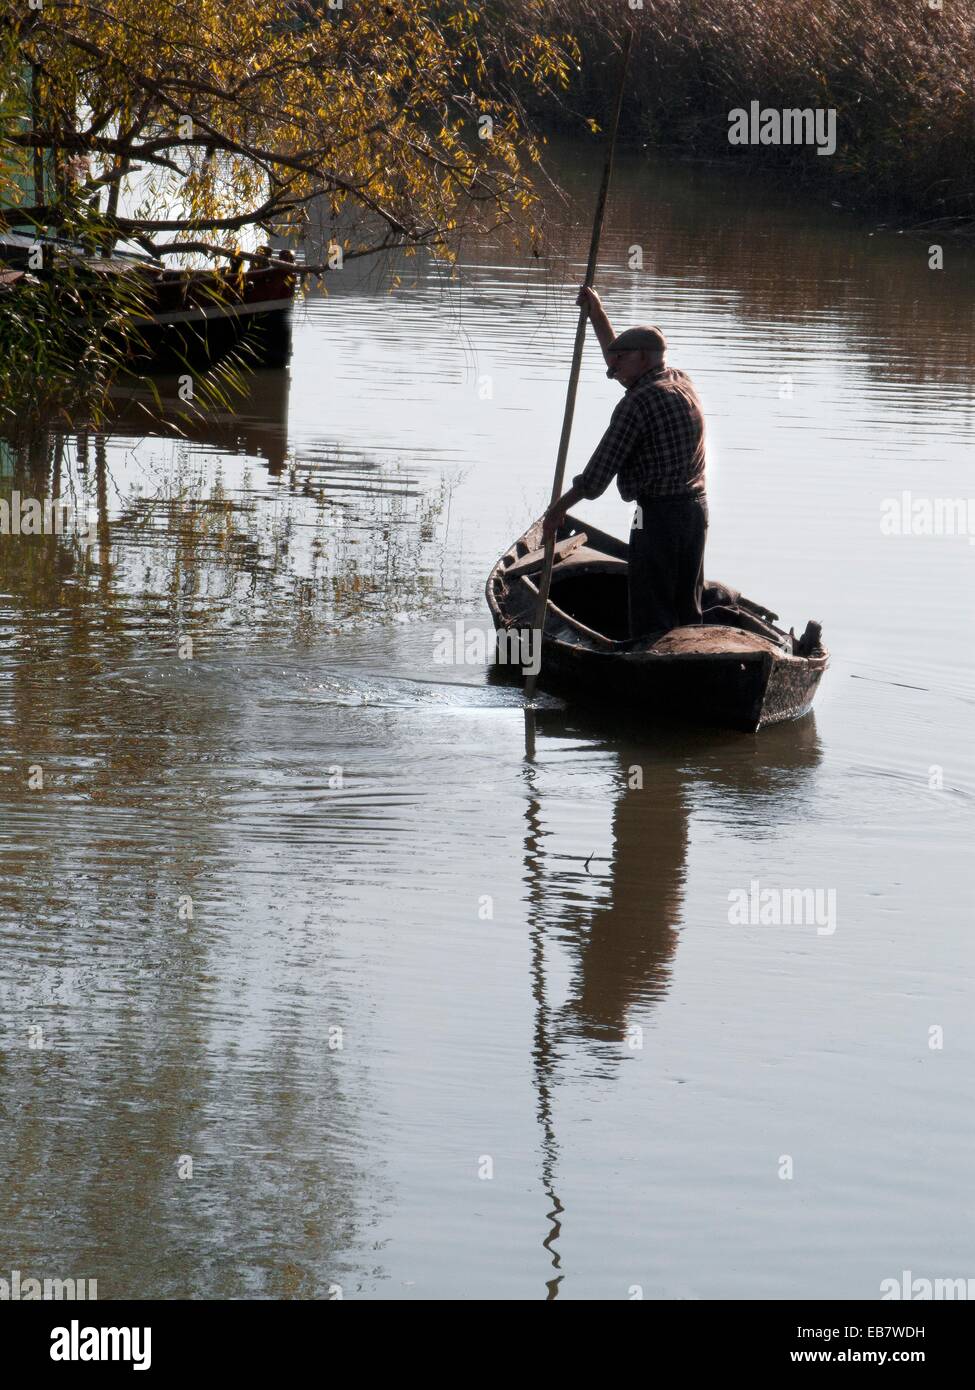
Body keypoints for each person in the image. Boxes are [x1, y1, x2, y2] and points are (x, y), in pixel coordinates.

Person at [542, 287, 708, 640]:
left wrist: (557, 511)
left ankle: (650, 673)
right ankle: (691, 663)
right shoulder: (678, 380)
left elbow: (595, 479)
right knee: (686, 607)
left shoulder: (637, 403)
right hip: (696, 513)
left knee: (650, 610)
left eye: (621, 359)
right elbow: (617, 358)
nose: (613, 366)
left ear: (644, 360)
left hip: (657, 516)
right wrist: (596, 312)